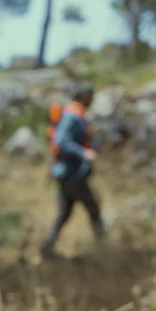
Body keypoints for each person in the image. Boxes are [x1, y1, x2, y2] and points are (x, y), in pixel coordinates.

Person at [40, 84, 106, 260]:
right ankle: (105, 248)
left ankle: (47, 248)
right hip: (72, 174)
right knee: (93, 208)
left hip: (66, 172)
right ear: (82, 96)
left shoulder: (76, 113)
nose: (93, 99)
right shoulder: (72, 115)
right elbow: (61, 140)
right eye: (90, 95)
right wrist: (83, 152)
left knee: (64, 213)